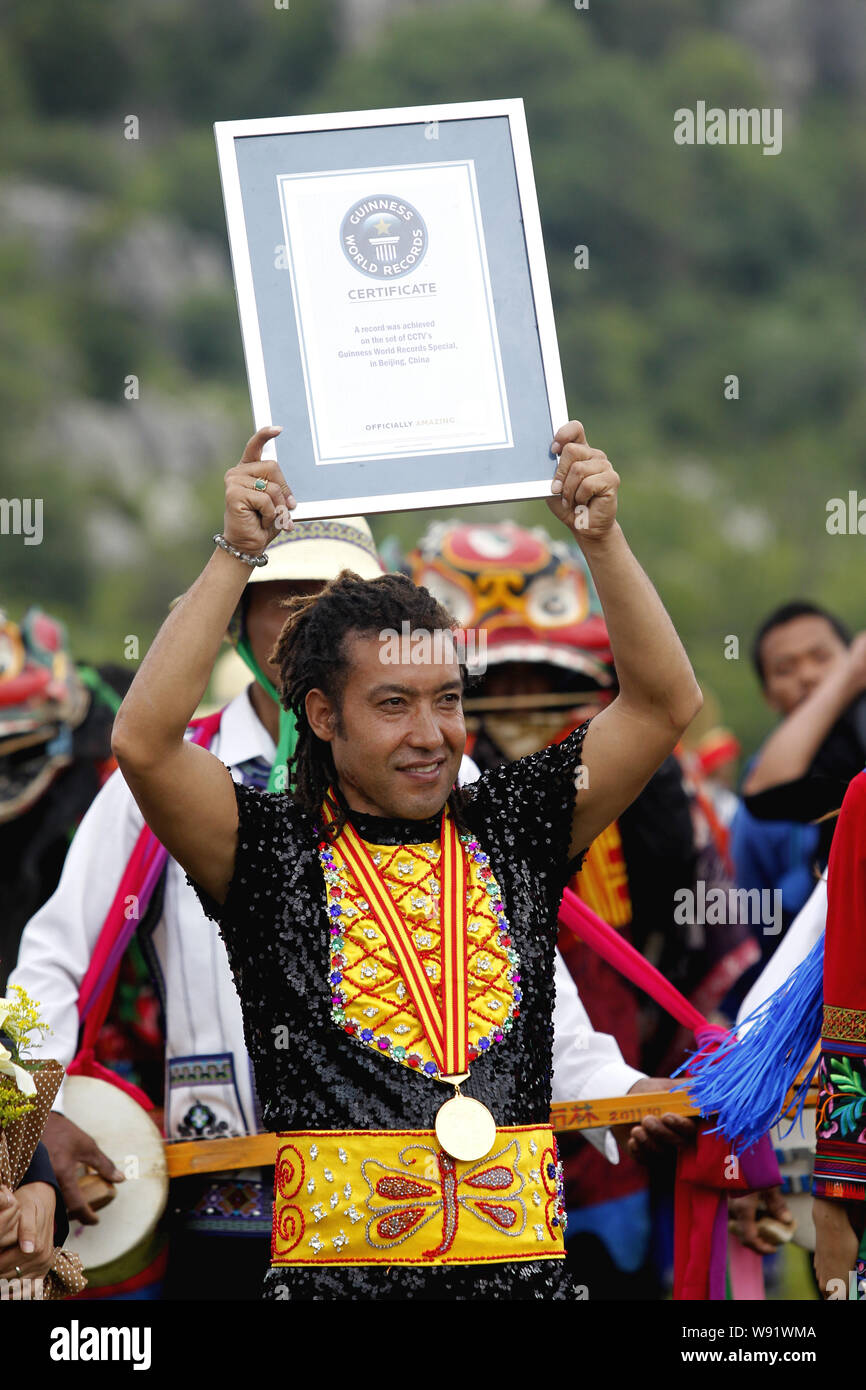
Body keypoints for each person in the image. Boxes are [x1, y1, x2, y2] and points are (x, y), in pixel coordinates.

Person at [109, 419, 703, 1299]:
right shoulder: (271, 851)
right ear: (319, 715)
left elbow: (662, 703)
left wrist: (600, 539)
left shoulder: (512, 828)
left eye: (447, 700)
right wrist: (234, 554)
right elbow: (145, 744)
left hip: (526, 1285)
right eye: (392, 704)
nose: (430, 736)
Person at [731, 601, 866, 961]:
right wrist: (843, 676)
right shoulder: (777, 766)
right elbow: (764, 795)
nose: (807, 675)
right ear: (768, 696)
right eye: (785, 669)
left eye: (821, 657)